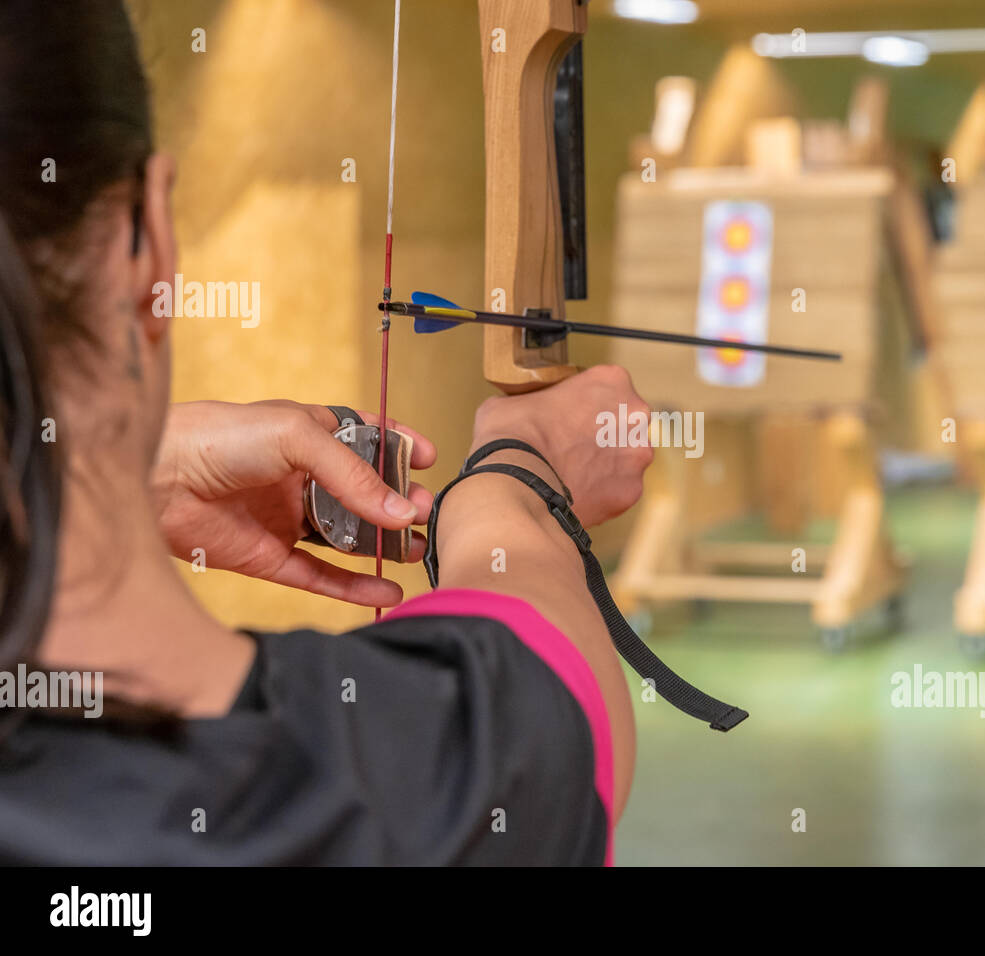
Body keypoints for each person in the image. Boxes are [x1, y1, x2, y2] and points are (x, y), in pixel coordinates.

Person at [0, 0, 646, 865]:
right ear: (149, 242)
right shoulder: (419, 791)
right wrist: (519, 477)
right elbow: (550, 683)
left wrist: (123, 476)